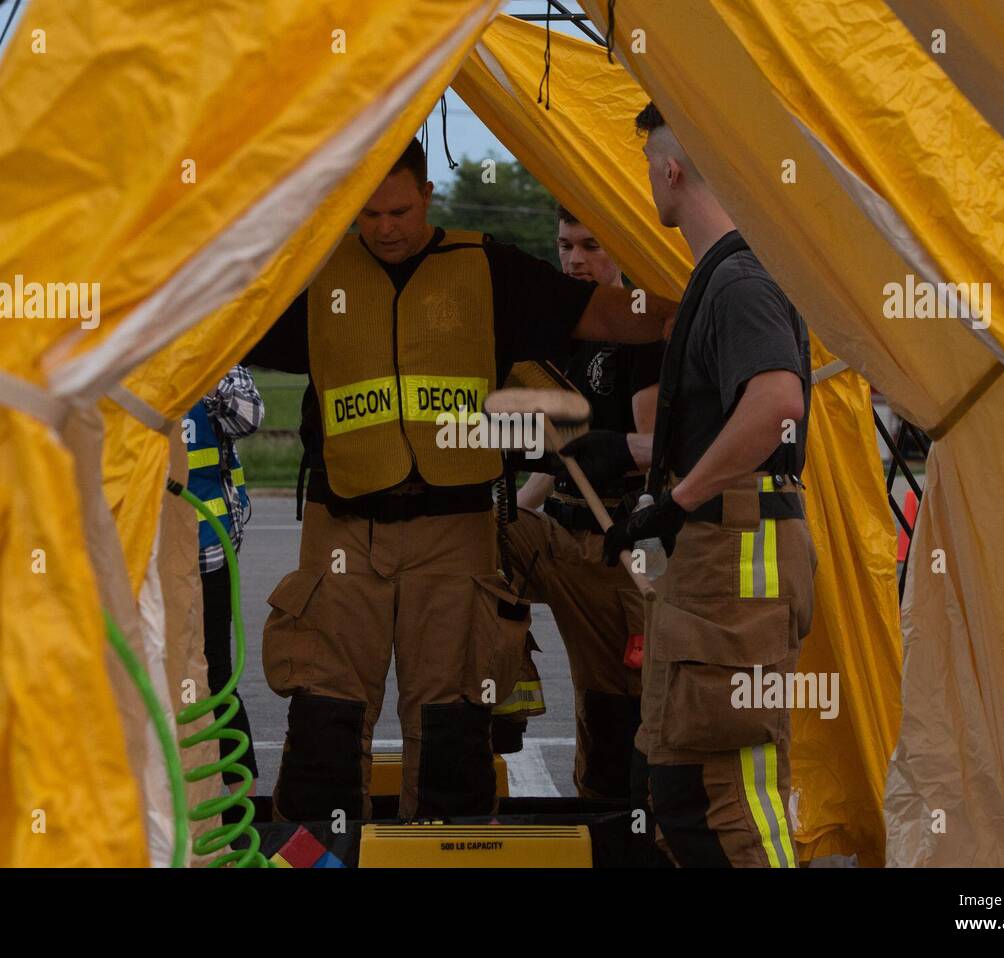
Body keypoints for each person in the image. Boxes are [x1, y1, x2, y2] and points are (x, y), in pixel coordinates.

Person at [244, 138, 676, 823]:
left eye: (398, 210)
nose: (384, 227)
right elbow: (225, 323)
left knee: (452, 722)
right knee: (324, 716)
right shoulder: (317, 273)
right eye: (368, 213)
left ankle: (449, 851)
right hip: (343, 529)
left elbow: (605, 315)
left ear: (428, 197)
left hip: (455, 531)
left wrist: (695, 302)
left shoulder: (487, 269)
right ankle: (316, 855)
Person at [567, 103, 816, 867]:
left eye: (648, 167)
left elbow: (776, 408)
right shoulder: (719, 280)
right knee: (675, 784)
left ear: (670, 170)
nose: (648, 181)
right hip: (717, 563)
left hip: (737, 563)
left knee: (729, 788)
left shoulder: (740, 280)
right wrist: (638, 458)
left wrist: (673, 500)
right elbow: (730, 423)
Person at [500, 205, 662, 798]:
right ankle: (504, 694)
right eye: (565, 245)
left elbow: (656, 452)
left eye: (591, 245)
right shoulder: (553, 337)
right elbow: (559, 460)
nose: (573, 260)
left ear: (621, 252)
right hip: (561, 534)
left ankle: (616, 826)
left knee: (613, 709)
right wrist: (515, 510)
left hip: (617, 550)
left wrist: (611, 451)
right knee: (484, 527)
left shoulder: (639, 328)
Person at [185, 364, 265, 792]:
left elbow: (249, 416)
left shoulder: (215, 357)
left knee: (215, 676)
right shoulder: (125, 355)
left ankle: (240, 811)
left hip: (208, 557)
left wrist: (203, 363)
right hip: (143, 560)